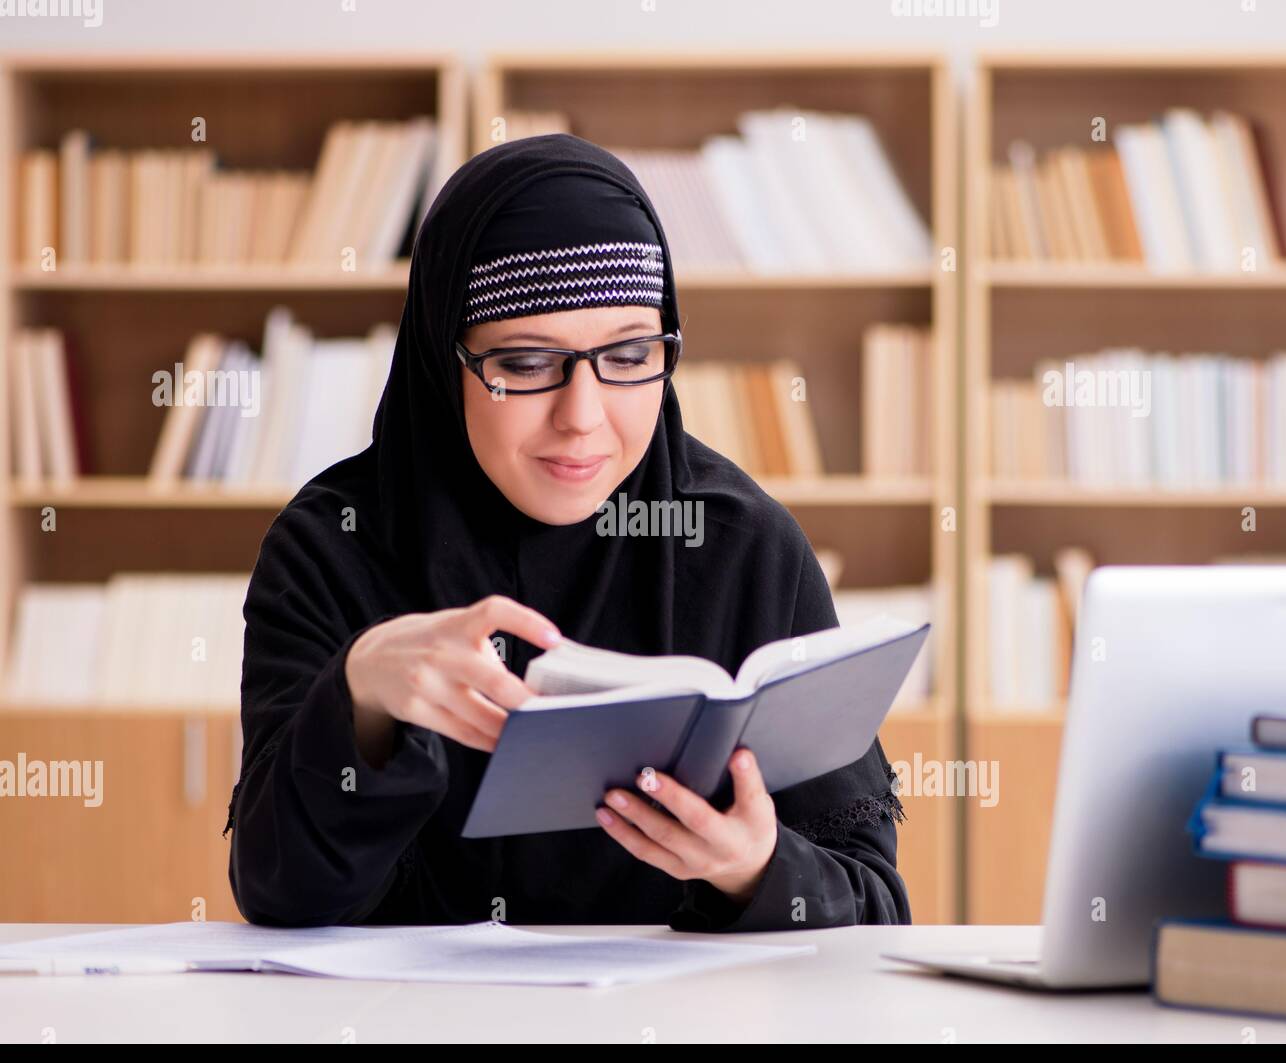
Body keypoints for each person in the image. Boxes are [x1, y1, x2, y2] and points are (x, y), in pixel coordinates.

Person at [223, 132, 911, 932]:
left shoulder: (744, 548)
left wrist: (753, 868)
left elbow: (874, 905)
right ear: (445, 361)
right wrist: (362, 693)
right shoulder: (328, 548)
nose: (581, 418)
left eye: (627, 355)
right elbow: (278, 894)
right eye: (524, 363)